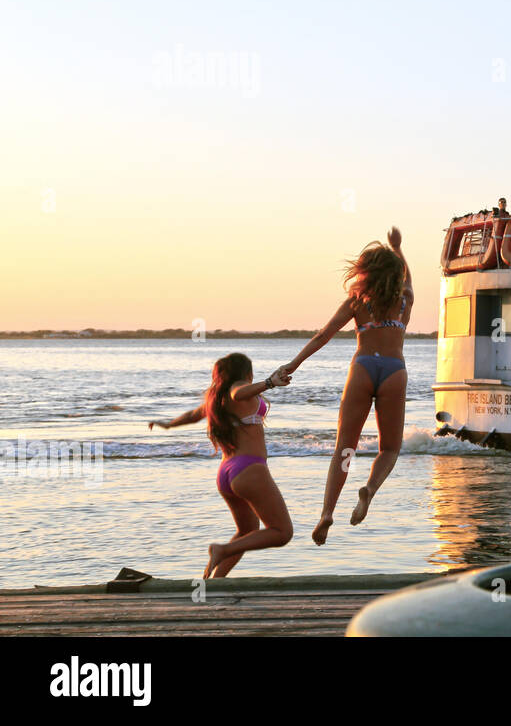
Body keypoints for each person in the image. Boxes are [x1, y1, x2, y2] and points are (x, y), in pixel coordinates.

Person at [277, 228, 414, 545]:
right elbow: (407, 277)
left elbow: (322, 336)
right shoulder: (404, 300)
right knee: (389, 448)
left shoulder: (356, 302)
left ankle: (327, 512)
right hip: (394, 369)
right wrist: (398, 248)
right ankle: (369, 489)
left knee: (345, 449)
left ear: (365, 273)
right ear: (394, 274)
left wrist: (292, 365)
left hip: (364, 366)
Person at [149, 354, 293, 578]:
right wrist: (269, 383)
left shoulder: (217, 399)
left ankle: (216, 582)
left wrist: (168, 425)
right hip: (249, 469)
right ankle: (222, 549)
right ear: (246, 372)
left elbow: (192, 415)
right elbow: (240, 393)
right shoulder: (238, 389)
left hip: (227, 473)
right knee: (281, 533)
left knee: (247, 531)